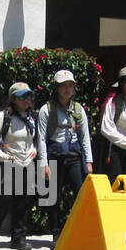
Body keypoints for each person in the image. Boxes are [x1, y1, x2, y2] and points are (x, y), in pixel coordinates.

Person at [35, 68, 93, 241]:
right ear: (57, 88)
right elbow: (41, 138)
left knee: (80, 193)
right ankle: (55, 233)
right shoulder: (47, 110)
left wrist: (89, 161)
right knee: (53, 195)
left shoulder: (78, 109)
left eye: (70, 85)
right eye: (63, 85)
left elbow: (85, 137)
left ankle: (77, 230)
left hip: (74, 156)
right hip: (55, 155)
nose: (67, 89)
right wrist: (43, 164)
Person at [0, 81, 37, 250]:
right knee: (3, 202)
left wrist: (33, 149)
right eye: (23, 97)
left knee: (23, 204)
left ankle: (18, 239)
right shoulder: (3, 116)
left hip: (27, 164)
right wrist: (3, 156)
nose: (27, 100)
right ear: (13, 99)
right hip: (9, 165)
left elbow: (30, 139)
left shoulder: (30, 117)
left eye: (29, 96)